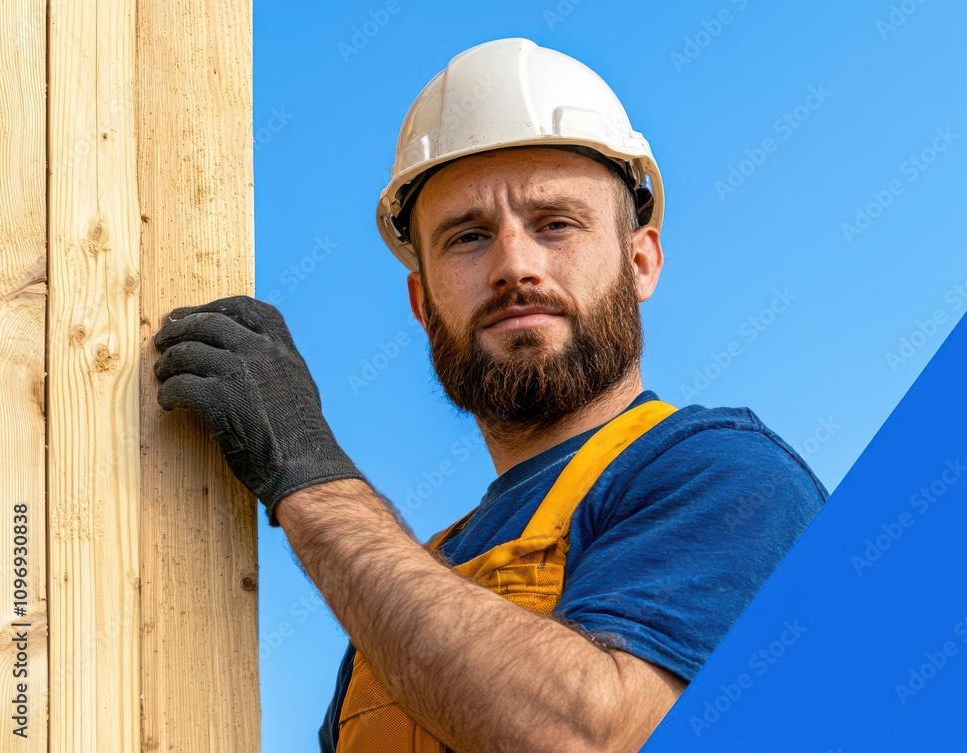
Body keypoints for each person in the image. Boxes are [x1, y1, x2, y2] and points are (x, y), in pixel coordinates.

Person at [153, 38, 827, 753]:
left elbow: (583, 738)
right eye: (468, 237)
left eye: (555, 224)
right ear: (422, 300)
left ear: (640, 262)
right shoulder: (400, 589)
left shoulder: (727, 478)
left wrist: (312, 480)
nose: (514, 265)